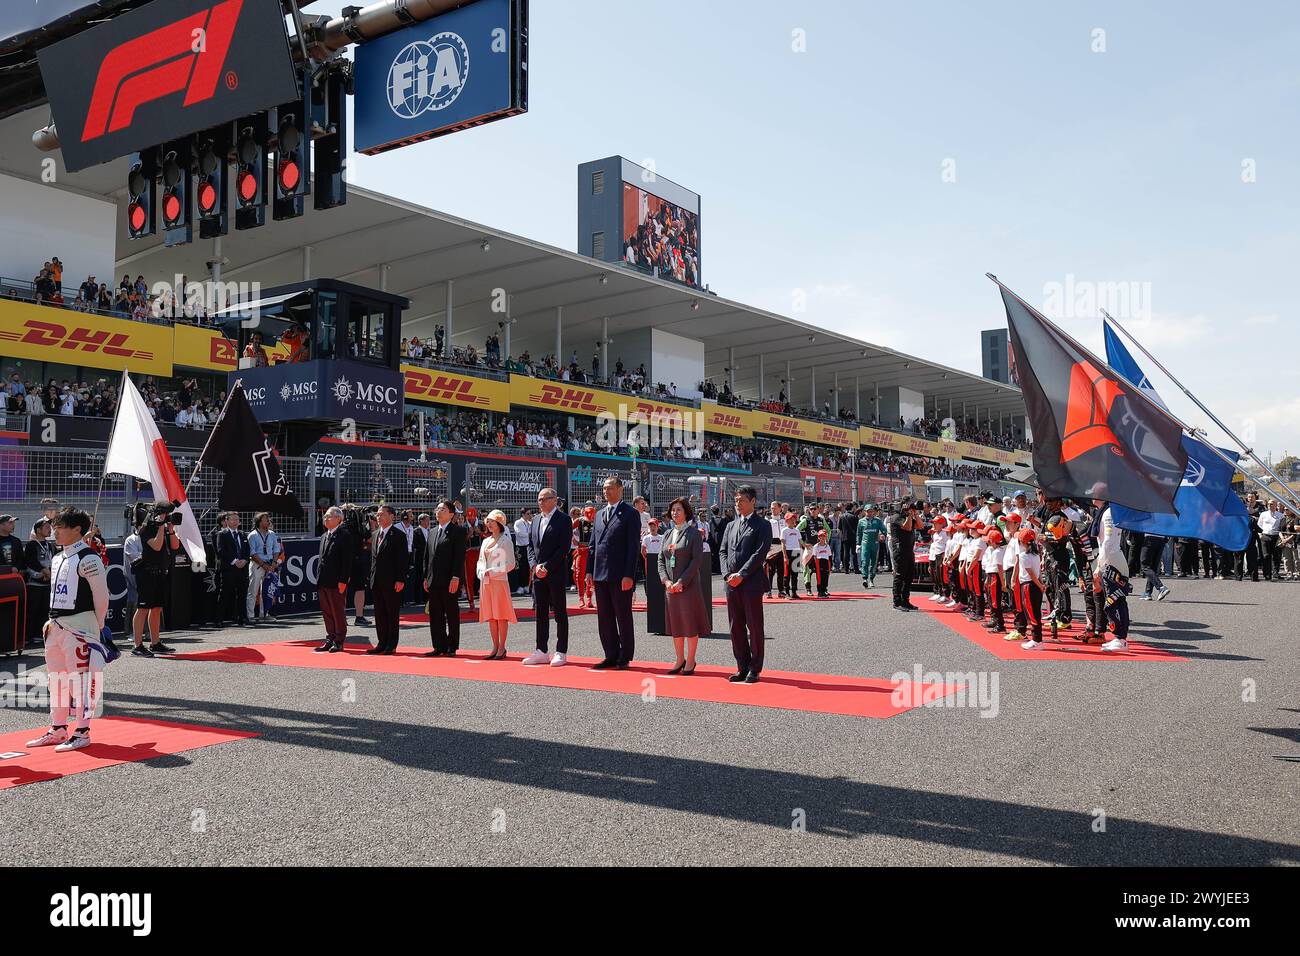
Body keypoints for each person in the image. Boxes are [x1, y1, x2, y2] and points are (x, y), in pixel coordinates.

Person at [25, 507, 111, 754]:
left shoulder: (89, 558)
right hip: (56, 627)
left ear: (77, 530)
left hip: (80, 628)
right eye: (54, 527)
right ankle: (58, 728)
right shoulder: (57, 557)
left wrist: (97, 625)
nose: (55, 532)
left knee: (81, 680)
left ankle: (82, 732)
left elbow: (101, 597)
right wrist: (51, 621)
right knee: (57, 680)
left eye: (60, 527)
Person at [587, 476, 640, 670]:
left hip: (620, 575)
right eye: (604, 488)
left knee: (623, 616)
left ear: (620, 489)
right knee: (604, 617)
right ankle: (610, 654)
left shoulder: (630, 513)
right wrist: (589, 571)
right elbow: (593, 546)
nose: (606, 492)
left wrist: (629, 575)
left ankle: (624, 656)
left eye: (610, 488)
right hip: (600, 574)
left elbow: (633, 547)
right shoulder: (599, 514)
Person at [719, 485, 768, 683]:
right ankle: (742, 666)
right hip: (732, 584)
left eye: (742, 500)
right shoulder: (731, 525)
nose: (738, 504)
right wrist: (726, 575)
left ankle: (755, 668)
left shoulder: (762, 525)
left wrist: (742, 574)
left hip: (751, 583)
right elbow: (723, 551)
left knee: (754, 626)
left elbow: (760, 553)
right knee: (736, 627)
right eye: (736, 500)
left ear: (753, 501)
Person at [659, 498, 709, 675]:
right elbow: (661, 560)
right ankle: (679, 659)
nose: (675, 513)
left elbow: (696, 561)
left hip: (688, 587)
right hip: (670, 588)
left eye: (678, 510)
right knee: (676, 624)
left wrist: (681, 581)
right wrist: (666, 580)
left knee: (689, 623)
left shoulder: (694, 534)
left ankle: (691, 659)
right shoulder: (667, 534)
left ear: (686, 512)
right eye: (673, 510)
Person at [524, 488, 572, 667]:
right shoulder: (536, 519)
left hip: (556, 572)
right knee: (540, 612)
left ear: (554, 500)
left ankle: (561, 651)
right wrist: (534, 565)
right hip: (538, 573)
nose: (541, 502)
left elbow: (563, 548)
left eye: (544, 499)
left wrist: (547, 566)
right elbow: (530, 545)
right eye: (539, 499)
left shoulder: (564, 519)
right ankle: (541, 650)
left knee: (560, 612)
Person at [131, 505, 177, 656]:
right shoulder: (146, 530)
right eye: (163, 514)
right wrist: (161, 526)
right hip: (146, 573)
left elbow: (175, 545)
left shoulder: (164, 528)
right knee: (143, 608)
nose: (165, 516)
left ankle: (155, 643)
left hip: (161, 572)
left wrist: (171, 529)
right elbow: (157, 546)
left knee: (157, 608)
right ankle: (137, 646)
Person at [423, 498, 466, 658]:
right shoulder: (432, 532)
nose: (438, 512)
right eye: (437, 509)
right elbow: (427, 557)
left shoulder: (458, 531)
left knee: (451, 613)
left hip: (449, 580)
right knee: (435, 614)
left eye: (442, 510)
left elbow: (459, 557)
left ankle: (451, 646)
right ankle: (438, 645)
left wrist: (456, 577)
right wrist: (426, 577)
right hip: (433, 579)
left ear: (451, 514)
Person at [368, 505, 409, 655]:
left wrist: (400, 579)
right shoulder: (375, 534)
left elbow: (403, 559)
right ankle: (381, 642)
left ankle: (391, 644)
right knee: (379, 614)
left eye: (382, 514)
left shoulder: (398, 535)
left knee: (391, 613)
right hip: (376, 581)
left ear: (392, 516)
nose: (378, 517)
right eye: (378, 514)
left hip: (392, 581)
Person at [477, 510, 517, 660]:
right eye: (488, 521)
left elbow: (511, 564)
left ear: (499, 523)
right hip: (486, 582)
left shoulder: (505, 541)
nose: (489, 524)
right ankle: (494, 646)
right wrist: (481, 572)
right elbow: (480, 561)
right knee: (491, 616)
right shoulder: (485, 541)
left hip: (499, 582)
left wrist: (492, 572)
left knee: (501, 615)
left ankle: (502, 647)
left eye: (492, 521)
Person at [314, 507, 355, 653]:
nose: (325, 518)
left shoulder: (345, 535)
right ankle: (330, 638)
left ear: (338, 519)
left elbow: (347, 561)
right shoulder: (324, 536)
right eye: (325, 516)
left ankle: (339, 641)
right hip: (323, 580)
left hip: (337, 581)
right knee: (327, 612)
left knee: (337, 611)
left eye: (329, 516)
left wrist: (343, 580)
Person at [23, 517, 54, 649]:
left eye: (50, 527)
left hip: (47, 583)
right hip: (34, 584)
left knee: (45, 610)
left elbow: (54, 560)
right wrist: (43, 570)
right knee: (32, 610)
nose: (50, 529)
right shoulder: (31, 545)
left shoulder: (50, 545)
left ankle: (39, 634)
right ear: (38, 530)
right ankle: (27, 636)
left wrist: (50, 572)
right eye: (46, 527)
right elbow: (30, 561)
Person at [217, 512, 250, 626]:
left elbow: (247, 550)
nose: (236, 522)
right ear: (227, 521)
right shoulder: (222, 534)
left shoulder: (243, 534)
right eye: (233, 519)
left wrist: (244, 560)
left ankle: (242, 618)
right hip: (228, 569)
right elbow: (221, 551)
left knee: (242, 594)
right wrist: (235, 561)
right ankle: (219, 619)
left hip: (242, 569)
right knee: (225, 594)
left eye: (237, 519)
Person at [247, 513, 281, 623]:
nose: (268, 521)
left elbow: (276, 549)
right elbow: (252, 553)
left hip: (270, 565)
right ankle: (250, 615)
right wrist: (263, 565)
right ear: (260, 521)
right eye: (266, 519)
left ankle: (264, 614)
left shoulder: (272, 534)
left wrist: (274, 563)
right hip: (257, 566)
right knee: (253, 591)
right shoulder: (252, 535)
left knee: (266, 592)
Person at [888, 500, 919, 611]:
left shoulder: (908, 516)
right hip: (900, 550)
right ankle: (897, 602)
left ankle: (905, 601)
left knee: (909, 576)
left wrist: (915, 514)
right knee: (900, 576)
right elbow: (908, 527)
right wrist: (909, 515)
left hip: (909, 550)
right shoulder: (896, 517)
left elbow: (920, 525)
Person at [511, 507, 534, 596]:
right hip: (521, 547)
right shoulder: (518, 523)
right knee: (521, 567)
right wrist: (530, 534)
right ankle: (520, 586)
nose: (529, 515)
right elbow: (520, 534)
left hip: (528, 546)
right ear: (523, 514)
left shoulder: (530, 523)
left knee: (528, 566)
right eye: (528, 514)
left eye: (530, 513)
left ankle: (526, 585)